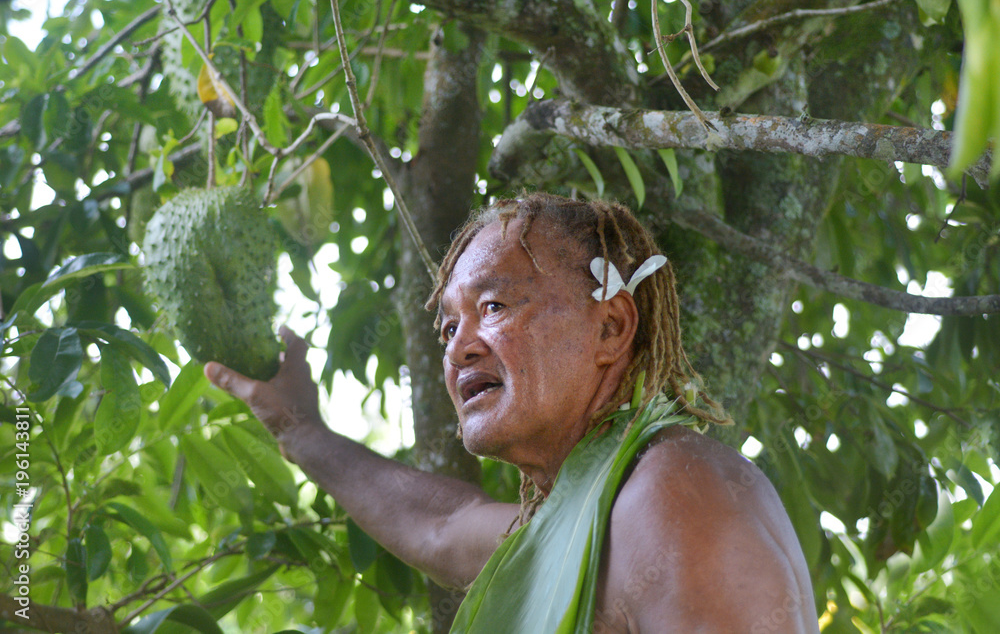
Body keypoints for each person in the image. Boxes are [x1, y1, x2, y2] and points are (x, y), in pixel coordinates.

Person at [205, 193, 820, 633]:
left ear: (610, 328)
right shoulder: (584, 518)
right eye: (448, 326)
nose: (458, 346)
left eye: (494, 305)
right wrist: (298, 429)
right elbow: (441, 528)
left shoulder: (673, 493)